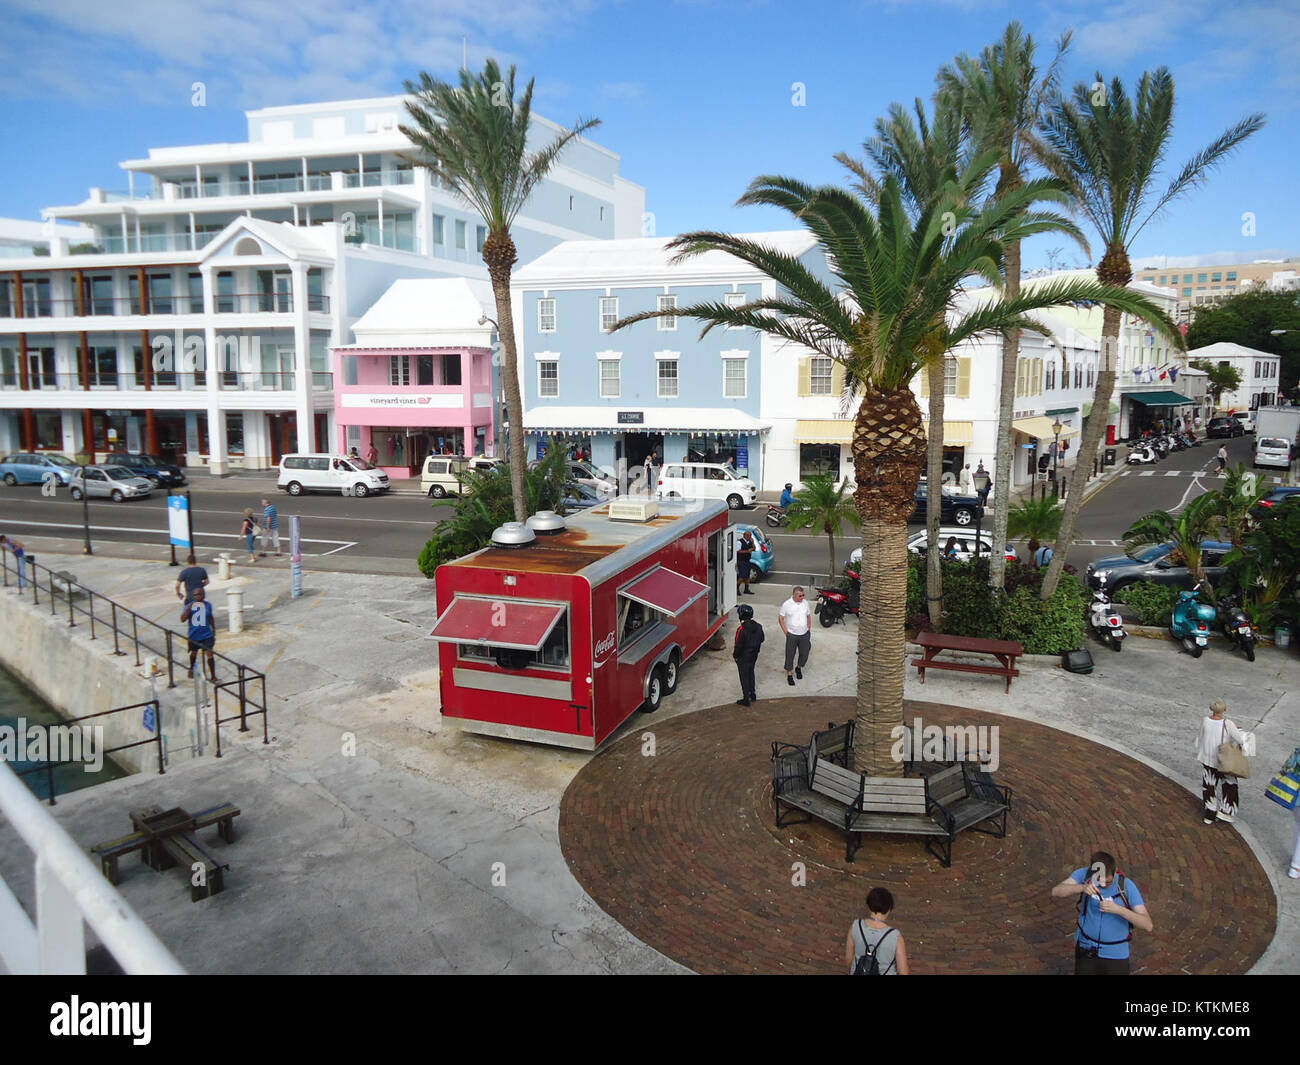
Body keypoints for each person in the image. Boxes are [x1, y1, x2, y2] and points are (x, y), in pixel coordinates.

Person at [1051, 850, 1153, 975]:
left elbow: (1147, 925)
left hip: (1115, 955)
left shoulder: (1127, 887)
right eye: (1099, 880)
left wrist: (1119, 910)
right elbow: (1056, 891)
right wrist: (1081, 888)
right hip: (1086, 948)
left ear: (1115, 871)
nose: (1103, 884)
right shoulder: (1084, 875)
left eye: (1108, 881)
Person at [1197, 698, 1247, 825]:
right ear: (1224, 709)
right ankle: (1226, 811)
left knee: (1209, 786)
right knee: (1230, 784)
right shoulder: (1228, 723)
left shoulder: (1205, 721)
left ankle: (1209, 814)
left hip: (1207, 759)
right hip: (1223, 761)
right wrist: (1239, 730)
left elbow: (1199, 739)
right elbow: (1241, 739)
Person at [844, 886, 909, 975]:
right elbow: (903, 971)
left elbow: (848, 959)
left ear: (868, 905)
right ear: (889, 909)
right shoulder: (895, 936)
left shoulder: (856, 926)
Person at [181, 586, 217, 683]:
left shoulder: (208, 605)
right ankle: (191, 668)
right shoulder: (189, 606)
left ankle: (213, 676)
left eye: (199, 594)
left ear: (203, 595)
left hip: (207, 635)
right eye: (195, 595)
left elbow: (210, 617)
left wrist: (213, 629)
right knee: (193, 653)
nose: (197, 596)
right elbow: (182, 619)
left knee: (210, 654)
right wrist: (190, 608)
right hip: (194, 635)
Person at [778, 586, 812, 686]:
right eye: (800, 596)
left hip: (804, 634)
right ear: (794, 595)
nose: (802, 597)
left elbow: (808, 615)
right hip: (792, 635)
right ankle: (789, 674)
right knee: (790, 654)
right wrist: (786, 632)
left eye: (803, 595)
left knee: (805, 653)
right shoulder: (786, 604)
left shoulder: (805, 603)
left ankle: (799, 667)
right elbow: (781, 618)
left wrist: (808, 627)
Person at [732, 603, 764, 706]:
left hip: (743, 657)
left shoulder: (741, 629)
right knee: (751, 672)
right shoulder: (758, 626)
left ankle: (746, 698)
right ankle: (752, 693)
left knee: (744, 676)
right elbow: (762, 639)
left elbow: (738, 645)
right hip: (754, 655)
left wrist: (735, 656)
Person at [737, 531, 756, 595]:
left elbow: (754, 549)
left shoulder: (750, 542)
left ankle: (746, 589)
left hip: (747, 560)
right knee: (742, 576)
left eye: (750, 536)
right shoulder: (740, 542)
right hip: (741, 561)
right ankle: (737, 588)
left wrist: (753, 542)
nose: (750, 537)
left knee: (747, 576)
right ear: (745, 535)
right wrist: (747, 551)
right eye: (749, 536)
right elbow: (738, 551)